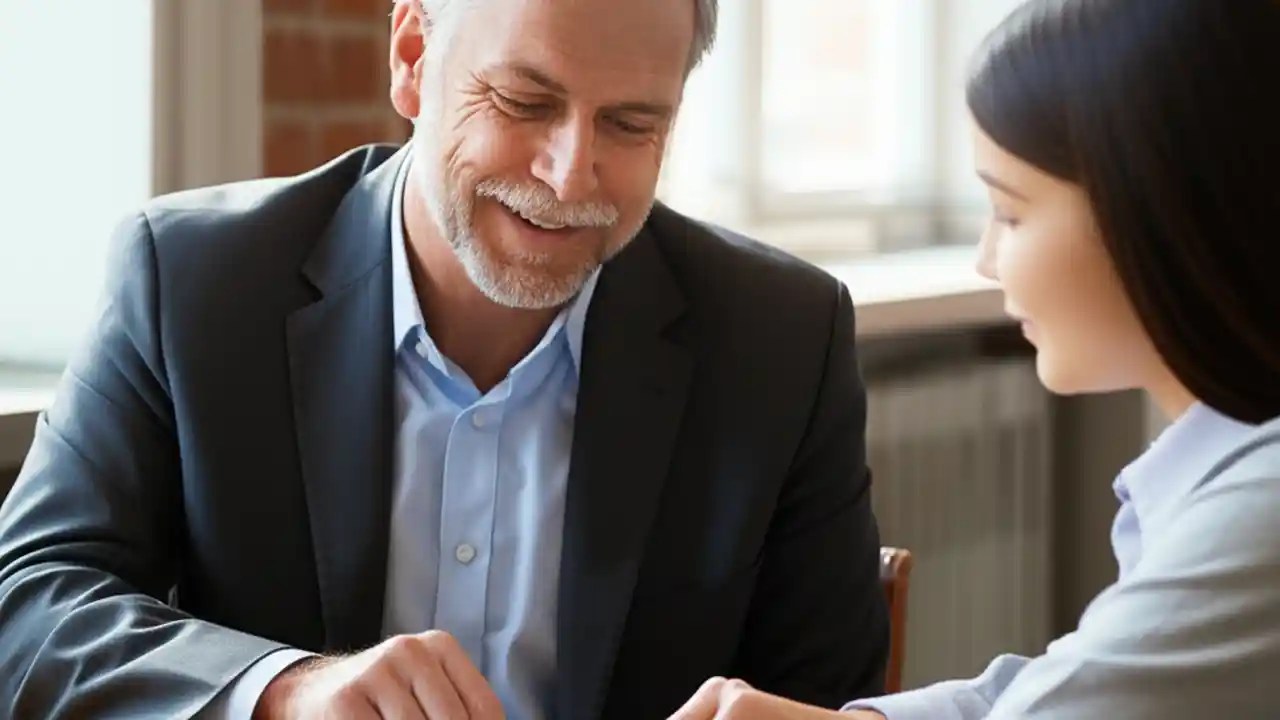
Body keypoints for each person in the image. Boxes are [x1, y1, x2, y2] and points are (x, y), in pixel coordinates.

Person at [0, 0, 891, 718]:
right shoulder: (192, 286)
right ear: (414, 56)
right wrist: (283, 692)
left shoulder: (781, 338)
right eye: (525, 102)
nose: (570, 174)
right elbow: (27, 608)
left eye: (628, 124)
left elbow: (827, 699)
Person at [669, 0, 1280, 718]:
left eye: (1011, 212)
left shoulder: (1259, 514)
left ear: (1160, 208)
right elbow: (1078, 679)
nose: (987, 260)